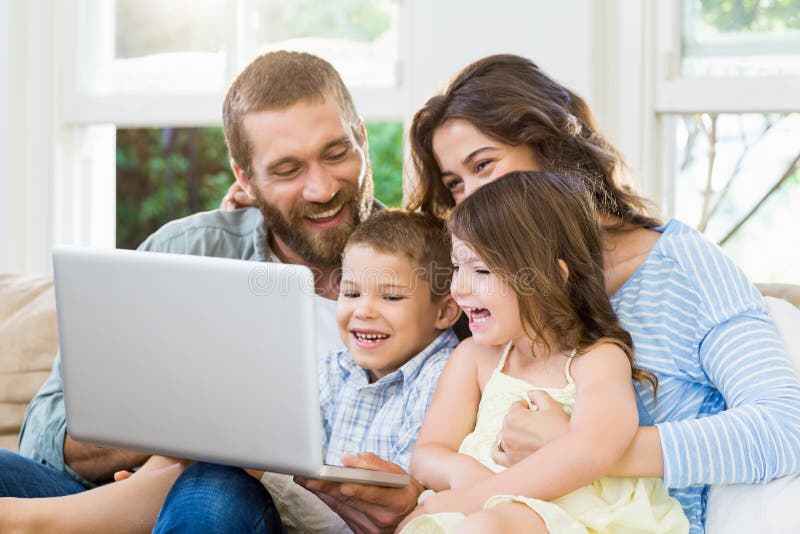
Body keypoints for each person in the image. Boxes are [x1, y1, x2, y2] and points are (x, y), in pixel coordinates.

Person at [0, 50, 421, 533]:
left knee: (212, 488)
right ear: (245, 177)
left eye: (336, 152)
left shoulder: (427, 272)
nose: (321, 188)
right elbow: (43, 436)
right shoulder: (188, 251)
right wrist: (176, 429)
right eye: (287, 170)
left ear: (362, 140)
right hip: (134, 496)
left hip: (262, 511)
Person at [403, 53, 800, 532]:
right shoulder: (494, 301)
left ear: (552, 148)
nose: (472, 198)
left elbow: (783, 431)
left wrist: (580, 445)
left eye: (484, 165)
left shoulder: (683, 269)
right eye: (456, 186)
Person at [0, 209, 462, 534]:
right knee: (218, 439)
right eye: (352, 293)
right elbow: (287, 442)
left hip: (335, 517)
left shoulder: (445, 375)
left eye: (391, 298)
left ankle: (37, 521)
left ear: (445, 312)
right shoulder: (337, 366)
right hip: (298, 497)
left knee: (221, 464)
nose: (364, 312)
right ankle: (132, 496)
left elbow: (397, 502)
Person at [396, 170, 689, 533]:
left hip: (574, 516)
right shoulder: (473, 358)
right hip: (476, 507)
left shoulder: (596, 359)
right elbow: (427, 452)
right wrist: (462, 474)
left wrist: (477, 497)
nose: (460, 287)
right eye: (457, 266)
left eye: (483, 270)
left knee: (487, 526)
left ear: (550, 277)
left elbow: (594, 449)